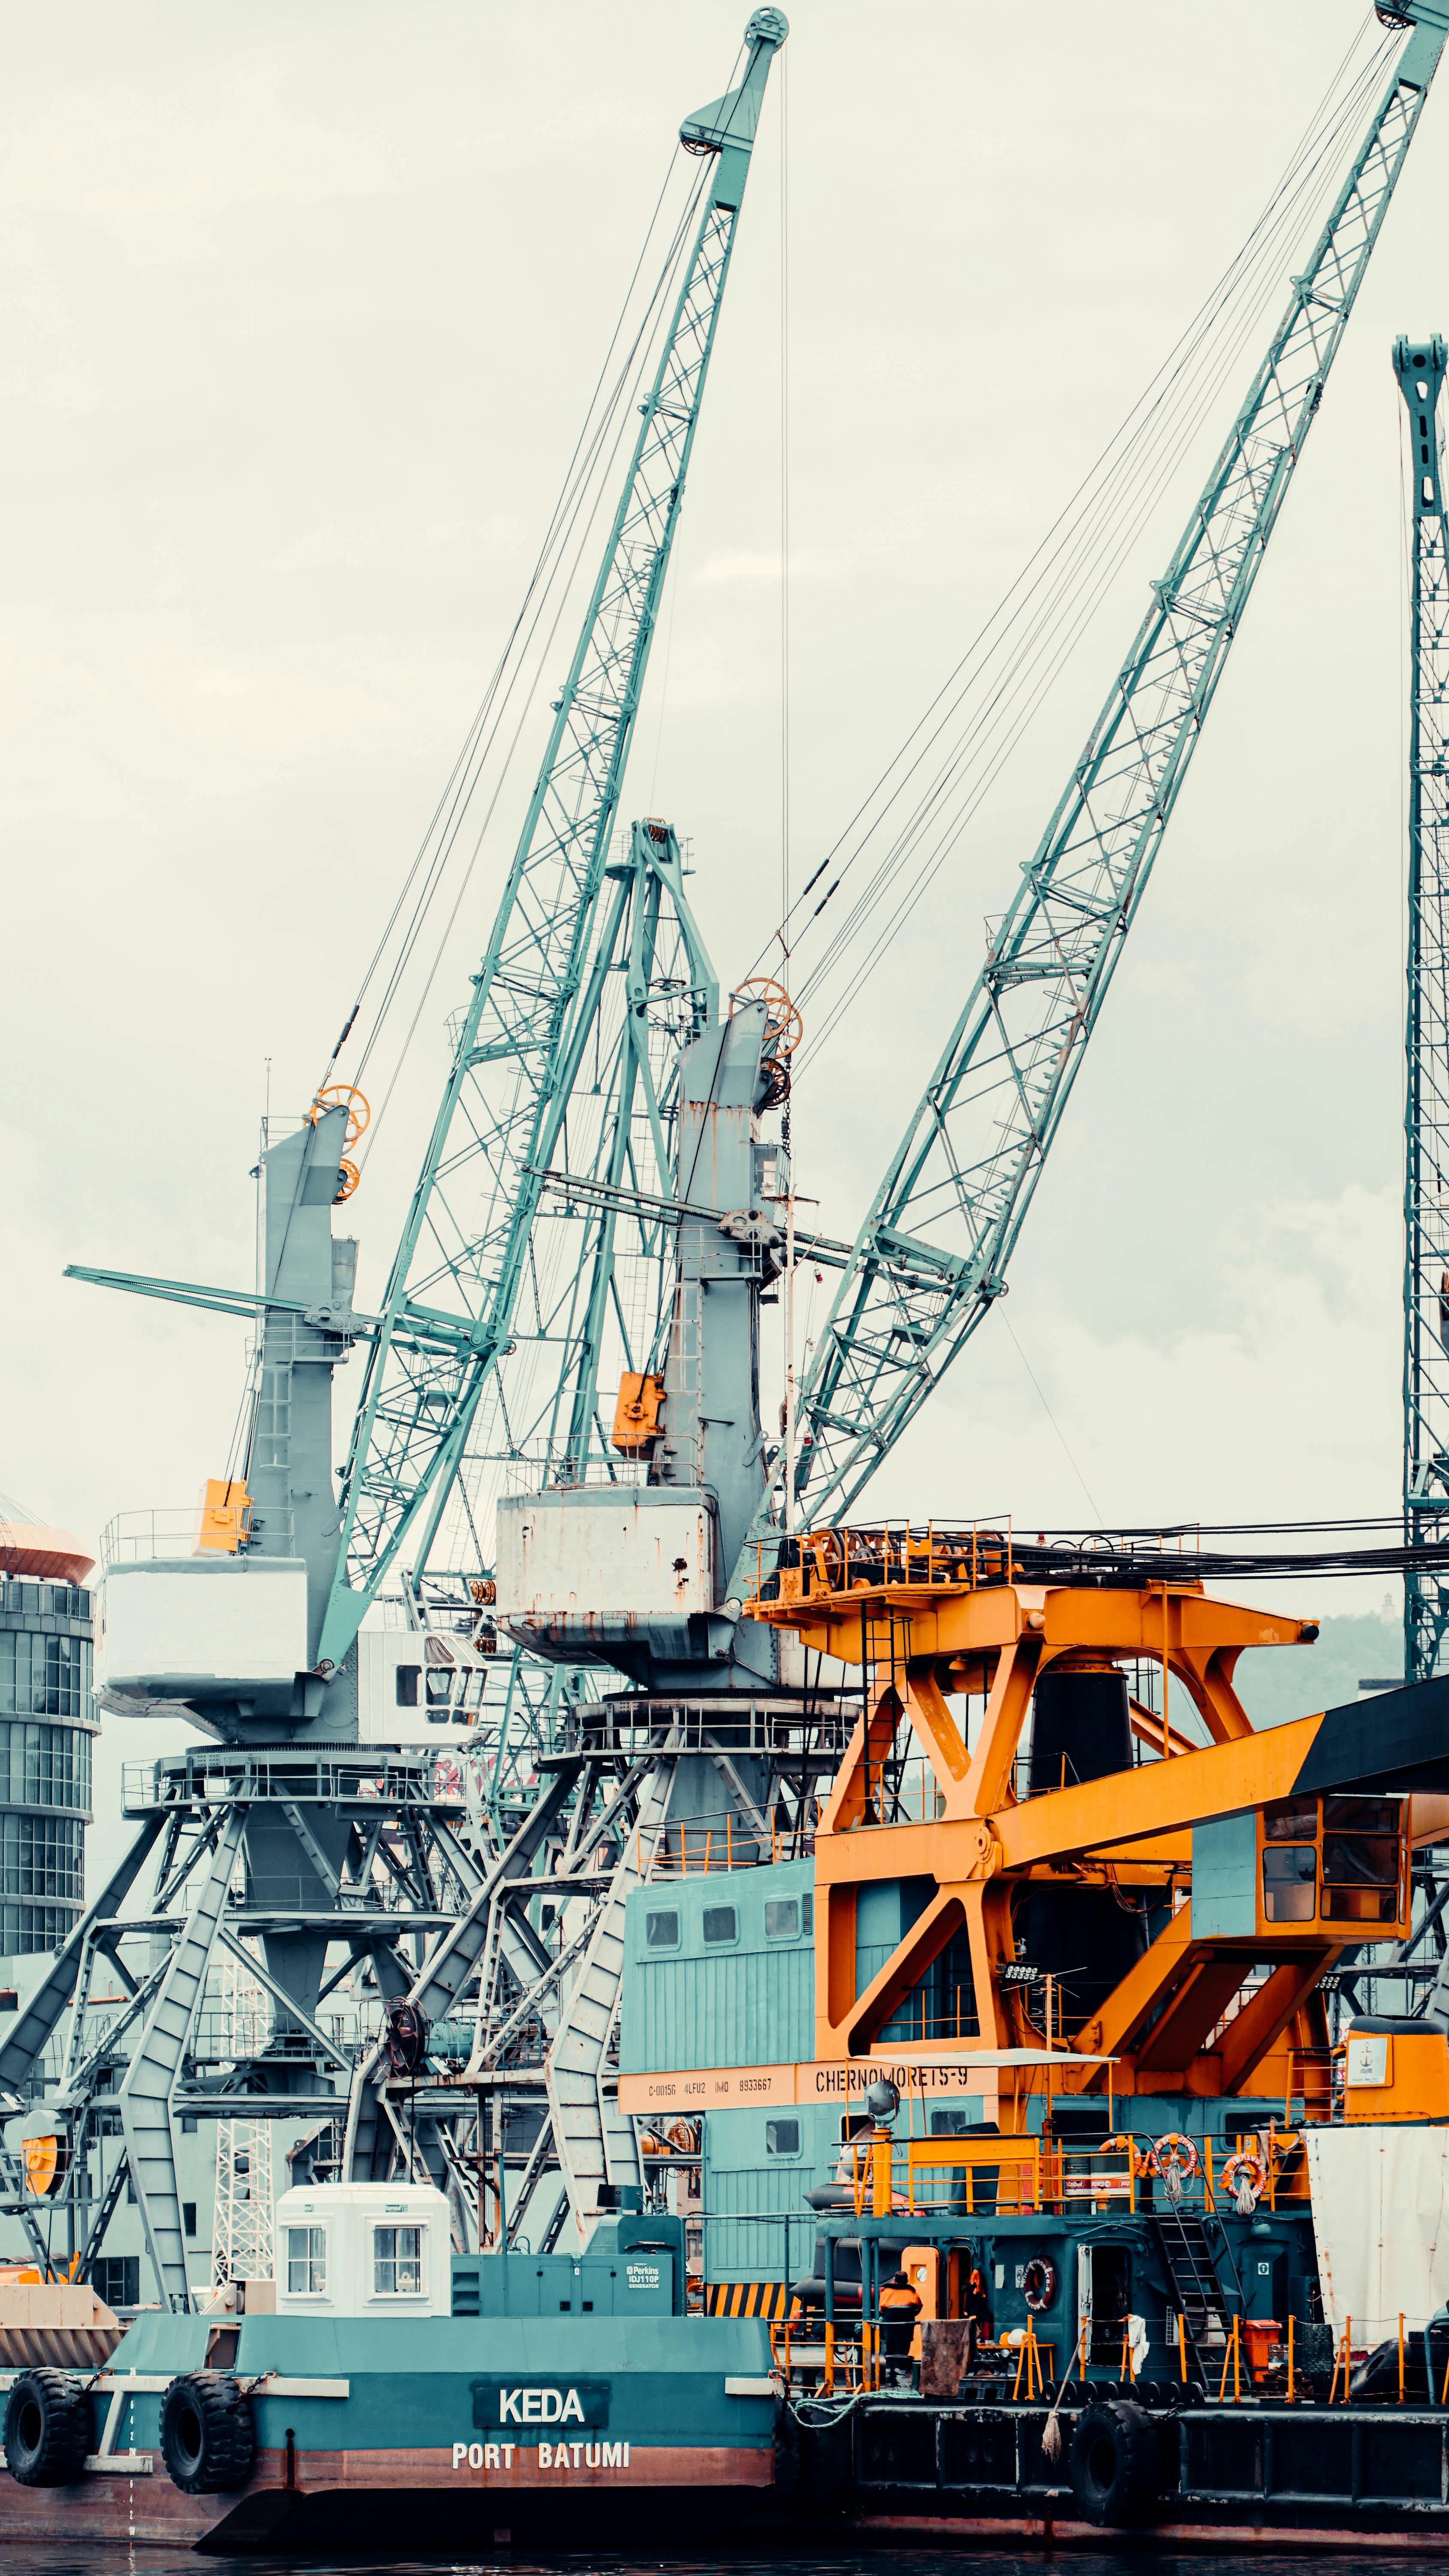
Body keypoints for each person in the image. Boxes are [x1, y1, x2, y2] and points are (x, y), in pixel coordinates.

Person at [880, 2269, 922, 2386]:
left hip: (890, 2328)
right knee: (903, 2350)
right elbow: (918, 2307)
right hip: (906, 2328)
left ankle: (889, 2376)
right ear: (907, 2280)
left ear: (894, 2281)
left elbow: (881, 2309)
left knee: (890, 2350)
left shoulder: (886, 2292)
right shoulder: (911, 2292)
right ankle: (902, 2378)